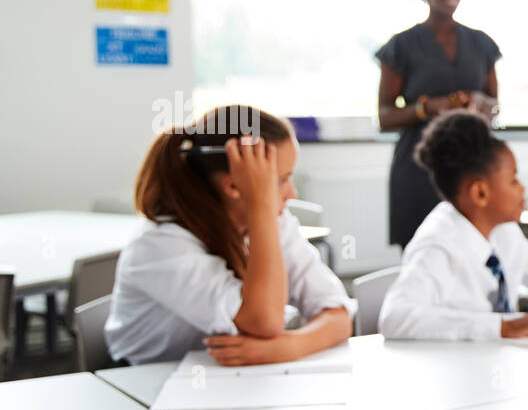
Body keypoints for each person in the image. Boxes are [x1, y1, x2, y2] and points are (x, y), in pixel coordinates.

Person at [106, 106, 356, 366]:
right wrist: (261, 205)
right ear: (234, 185)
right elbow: (264, 322)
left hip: (229, 380)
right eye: (281, 180)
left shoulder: (277, 222)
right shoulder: (159, 244)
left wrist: (291, 346)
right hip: (143, 382)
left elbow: (338, 314)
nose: (292, 193)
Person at [379, 110, 528, 341]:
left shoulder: (504, 230)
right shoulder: (437, 245)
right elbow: (394, 317)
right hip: (458, 369)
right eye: (513, 179)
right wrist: (503, 327)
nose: (522, 189)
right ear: (480, 192)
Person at [377, 0, 502, 249]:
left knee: (474, 254)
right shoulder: (401, 47)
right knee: (422, 256)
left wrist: (480, 105)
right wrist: (428, 107)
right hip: (418, 171)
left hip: (472, 165)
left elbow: (495, 106)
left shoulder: (482, 44)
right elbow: (384, 116)